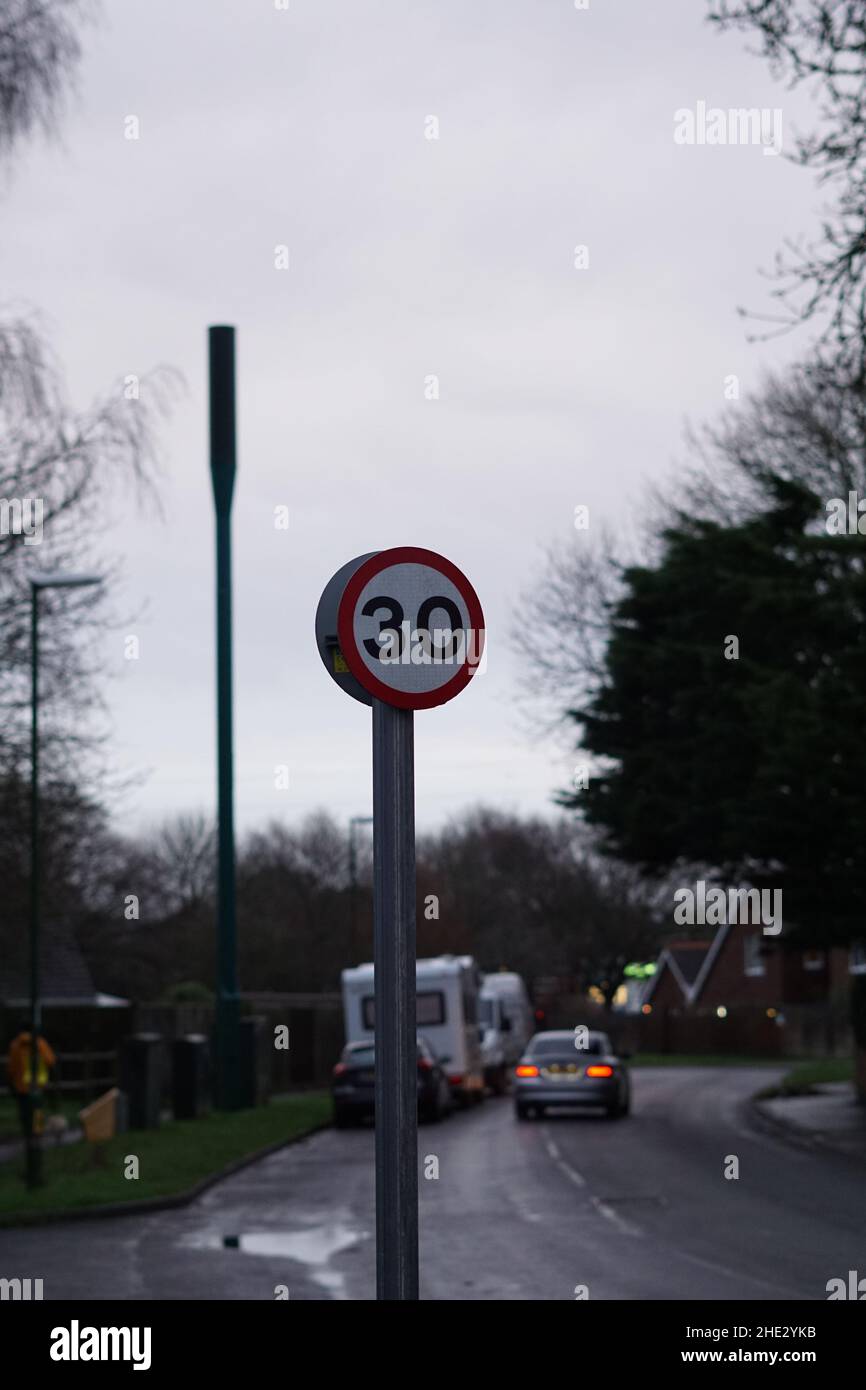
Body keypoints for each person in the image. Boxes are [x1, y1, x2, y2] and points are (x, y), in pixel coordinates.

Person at [6, 1026, 56, 1136]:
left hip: (21, 1086)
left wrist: (11, 1082)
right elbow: (51, 1061)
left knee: (24, 1113)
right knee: (38, 1111)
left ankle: (27, 1134)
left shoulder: (15, 1045)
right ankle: (38, 1135)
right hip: (38, 1085)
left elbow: (11, 1069)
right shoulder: (40, 1043)